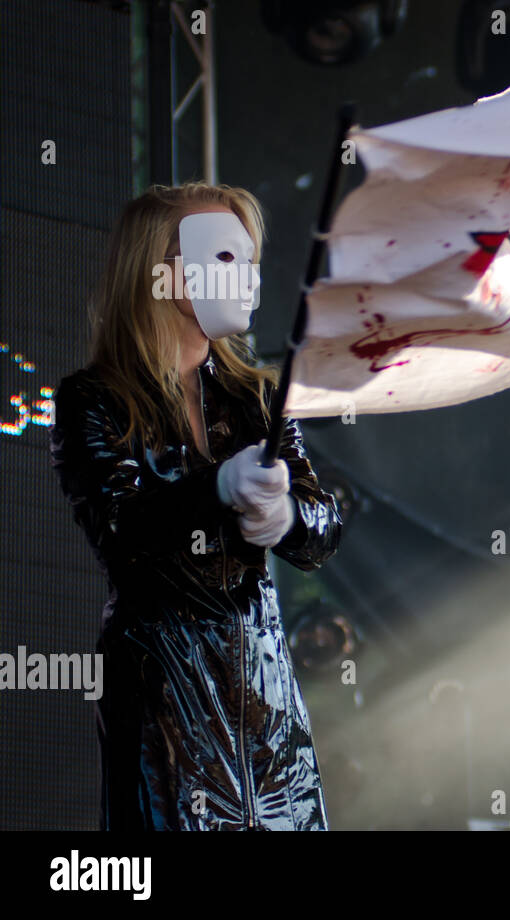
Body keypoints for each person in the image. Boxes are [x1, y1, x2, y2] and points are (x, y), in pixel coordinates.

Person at [50, 183, 343, 830]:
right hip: (164, 698)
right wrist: (213, 490)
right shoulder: (93, 401)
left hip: (267, 708)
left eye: (252, 259)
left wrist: (290, 517)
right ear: (162, 273)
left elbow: (324, 529)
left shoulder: (257, 399)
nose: (248, 278)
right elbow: (124, 535)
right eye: (226, 258)